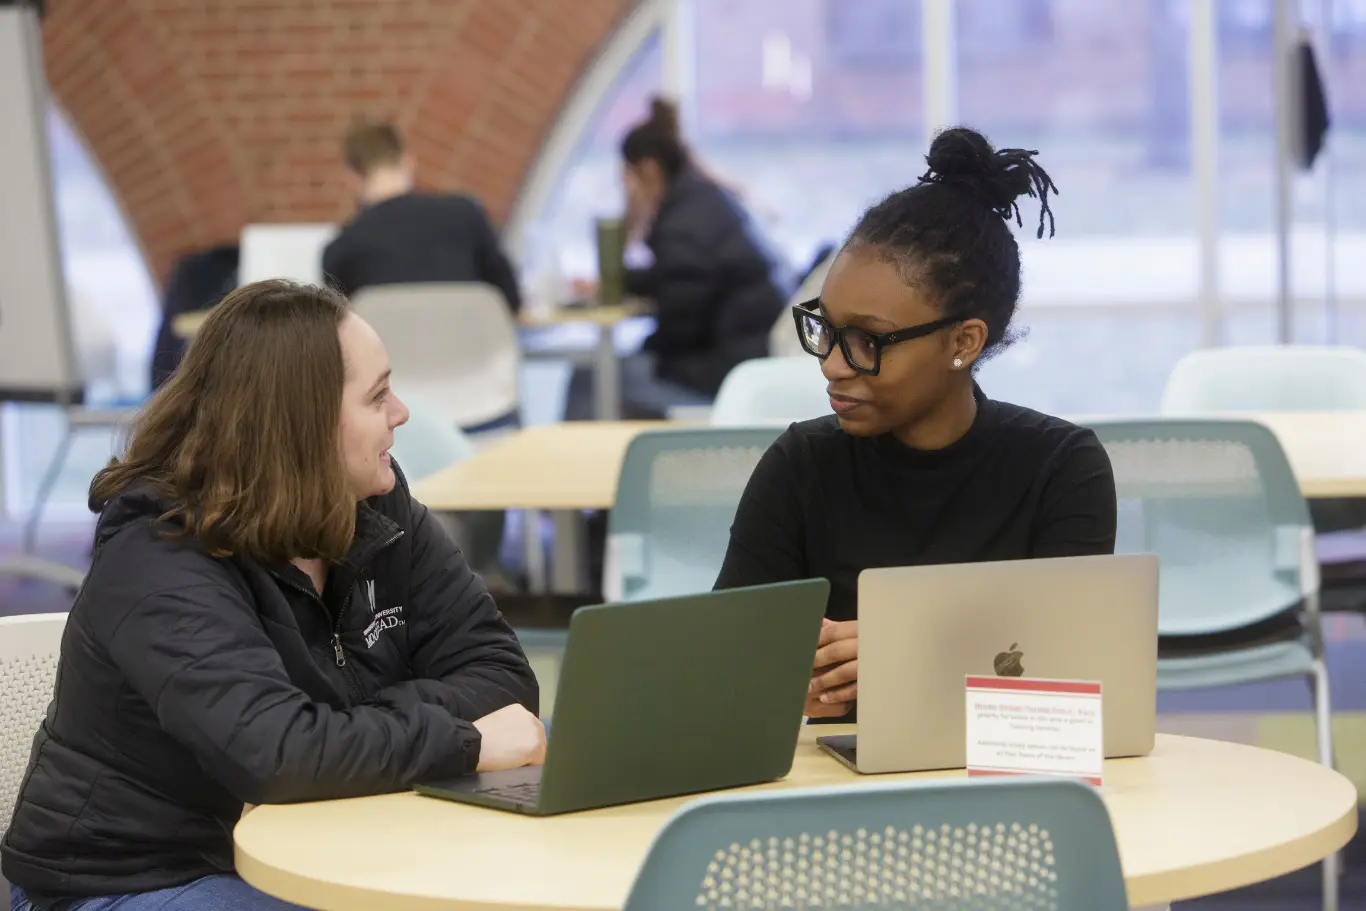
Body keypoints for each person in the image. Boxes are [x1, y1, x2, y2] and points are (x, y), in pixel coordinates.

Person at [3, 281, 545, 911]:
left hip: (325, 836)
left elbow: (505, 678)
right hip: (141, 876)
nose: (402, 413)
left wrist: (335, 737)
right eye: (377, 397)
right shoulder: (159, 553)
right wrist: (463, 740)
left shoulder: (378, 506)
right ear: (304, 427)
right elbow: (276, 755)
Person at [713, 127, 1117, 722]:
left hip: (1002, 784)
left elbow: (1069, 682)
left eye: (868, 341)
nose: (831, 363)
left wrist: (906, 656)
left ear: (964, 341)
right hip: (827, 786)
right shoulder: (801, 465)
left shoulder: (1059, 469)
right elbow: (727, 671)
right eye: (826, 329)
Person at [614, 97, 793, 415]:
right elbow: (682, 277)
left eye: (626, 178)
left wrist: (633, 220)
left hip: (728, 370)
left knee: (609, 378)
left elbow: (681, 324)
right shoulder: (704, 201)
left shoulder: (681, 225)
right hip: (752, 355)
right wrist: (632, 282)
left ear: (649, 170)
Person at [321, 120, 522, 314]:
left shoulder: (341, 249)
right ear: (408, 161)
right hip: (469, 348)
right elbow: (511, 300)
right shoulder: (465, 214)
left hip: (392, 349)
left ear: (351, 177)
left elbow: (342, 332)